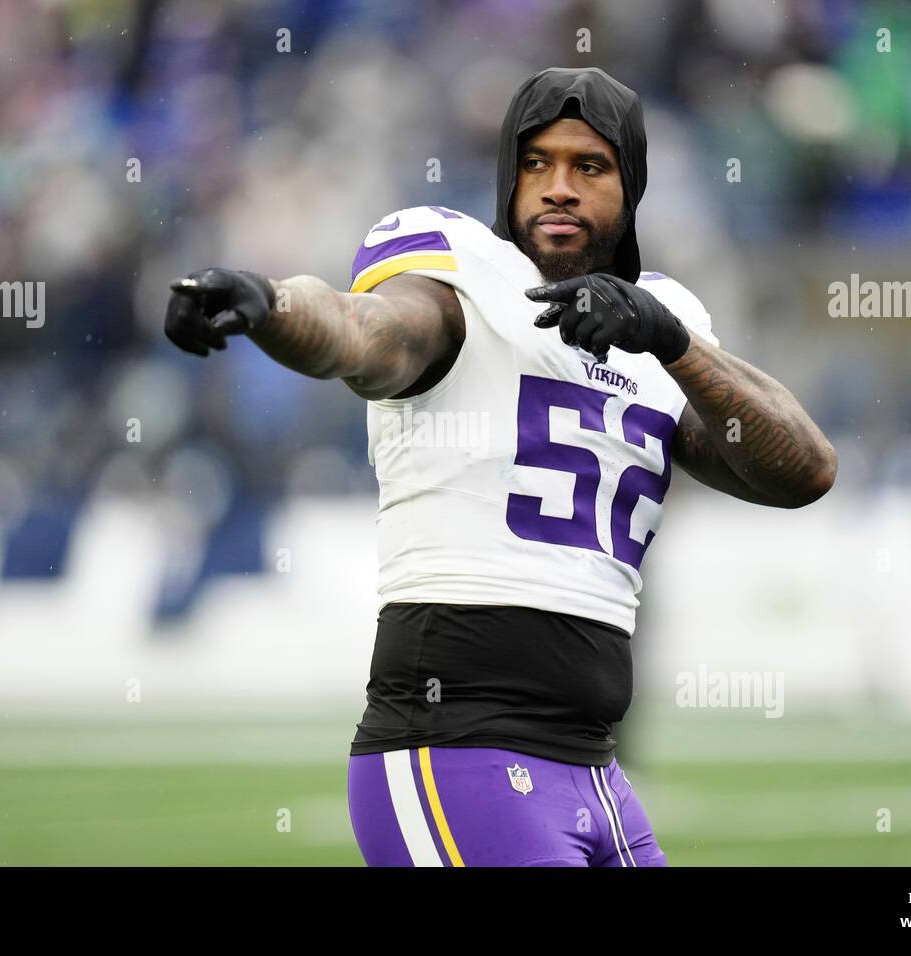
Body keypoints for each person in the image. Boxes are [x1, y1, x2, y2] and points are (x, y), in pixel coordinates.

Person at [164, 67, 837, 866]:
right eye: (536, 163)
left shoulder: (661, 324)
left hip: (594, 766)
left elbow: (804, 470)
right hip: (454, 746)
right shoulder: (462, 276)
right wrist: (273, 304)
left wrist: (672, 343)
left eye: (589, 166)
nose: (557, 188)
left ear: (634, 186)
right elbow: (364, 330)